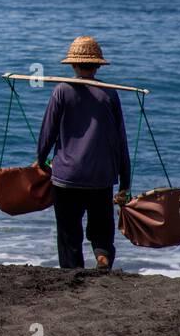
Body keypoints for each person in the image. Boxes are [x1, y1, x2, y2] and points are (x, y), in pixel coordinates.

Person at [35, 35, 132, 270]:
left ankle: (72, 272)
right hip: (101, 176)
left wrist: (41, 159)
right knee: (101, 228)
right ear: (98, 65)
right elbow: (120, 140)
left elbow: (47, 131)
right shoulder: (110, 94)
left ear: (74, 65)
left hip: (67, 176)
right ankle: (102, 257)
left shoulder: (62, 90)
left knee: (69, 232)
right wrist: (125, 180)